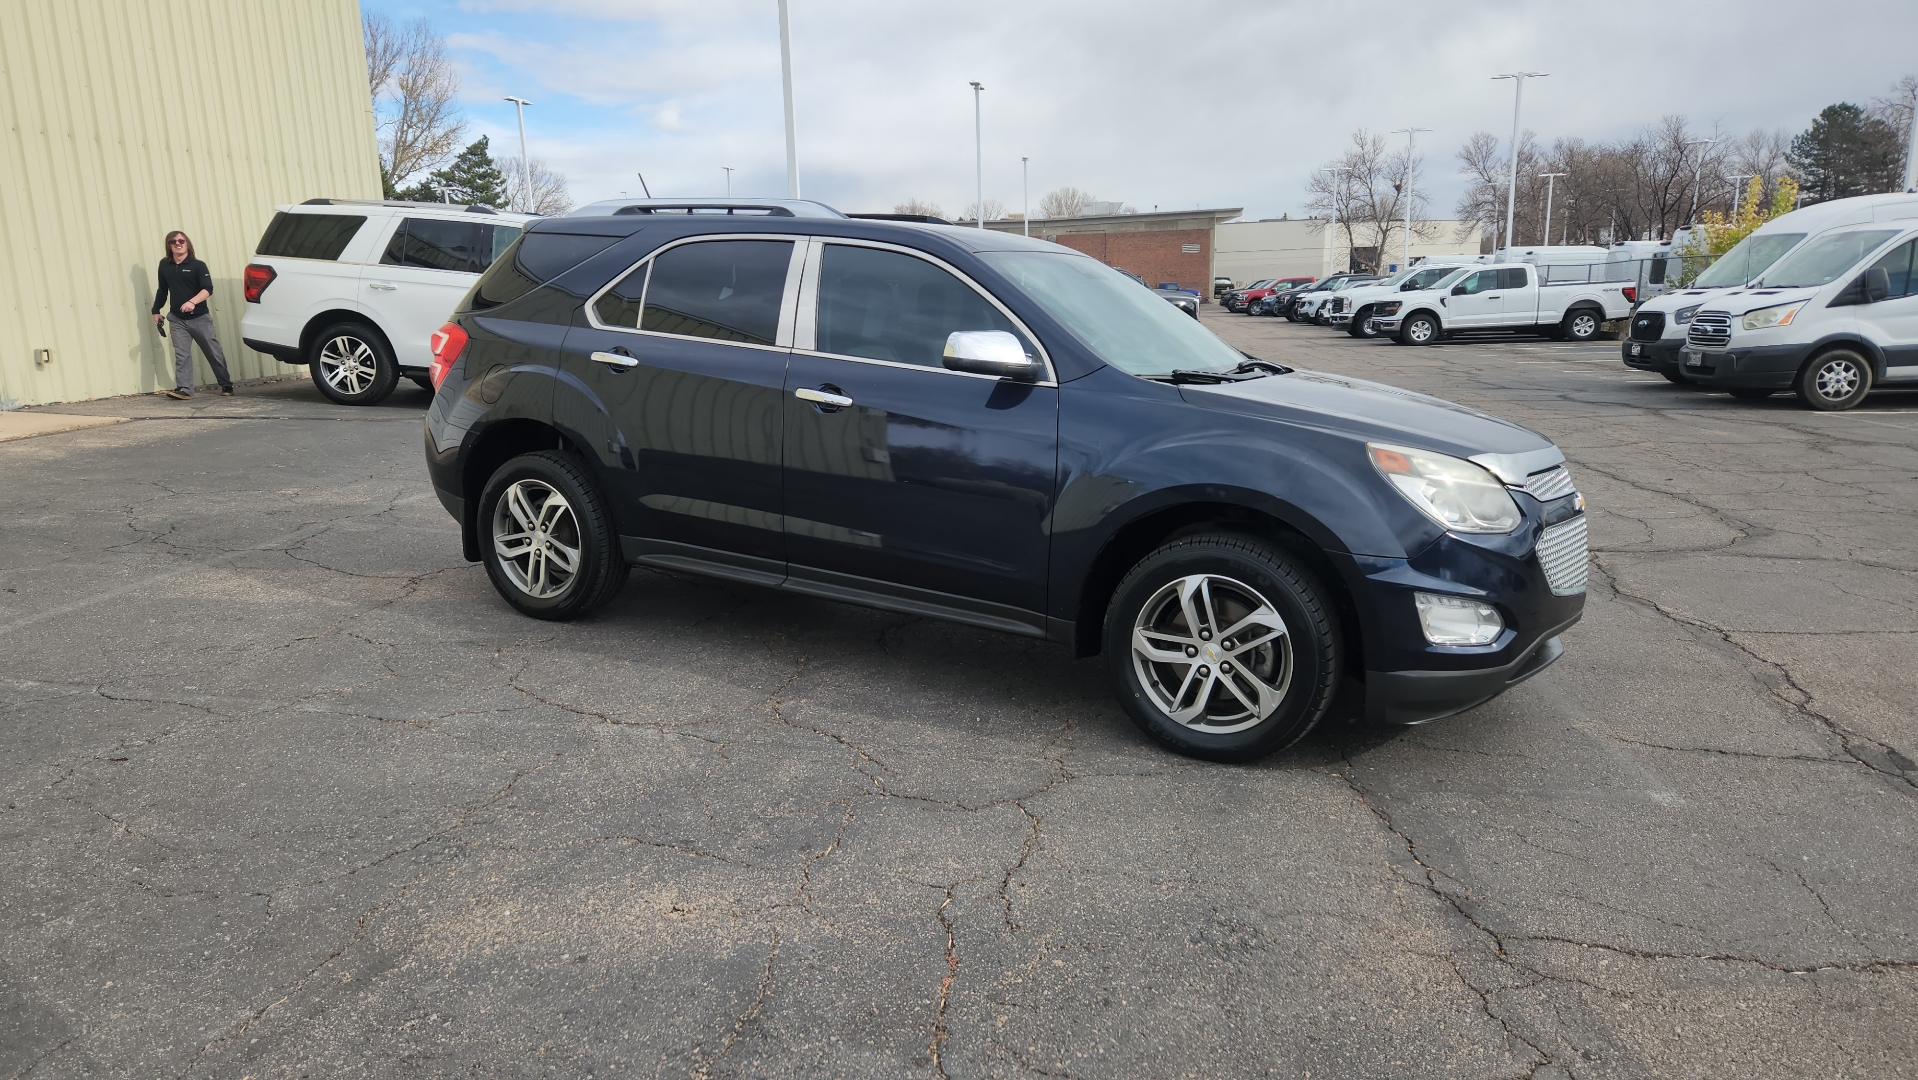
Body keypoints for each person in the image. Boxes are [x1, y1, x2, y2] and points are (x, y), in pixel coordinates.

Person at [151, 230, 233, 399]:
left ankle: (226, 384)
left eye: (181, 240)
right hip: (177, 319)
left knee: (213, 352)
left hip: (200, 318)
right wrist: (156, 310)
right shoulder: (164, 265)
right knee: (182, 355)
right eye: (173, 241)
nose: (177, 243)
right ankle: (184, 389)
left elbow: (207, 289)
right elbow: (162, 289)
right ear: (169, 246)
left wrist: (192, 302)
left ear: (187, 243)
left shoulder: (198, 265)